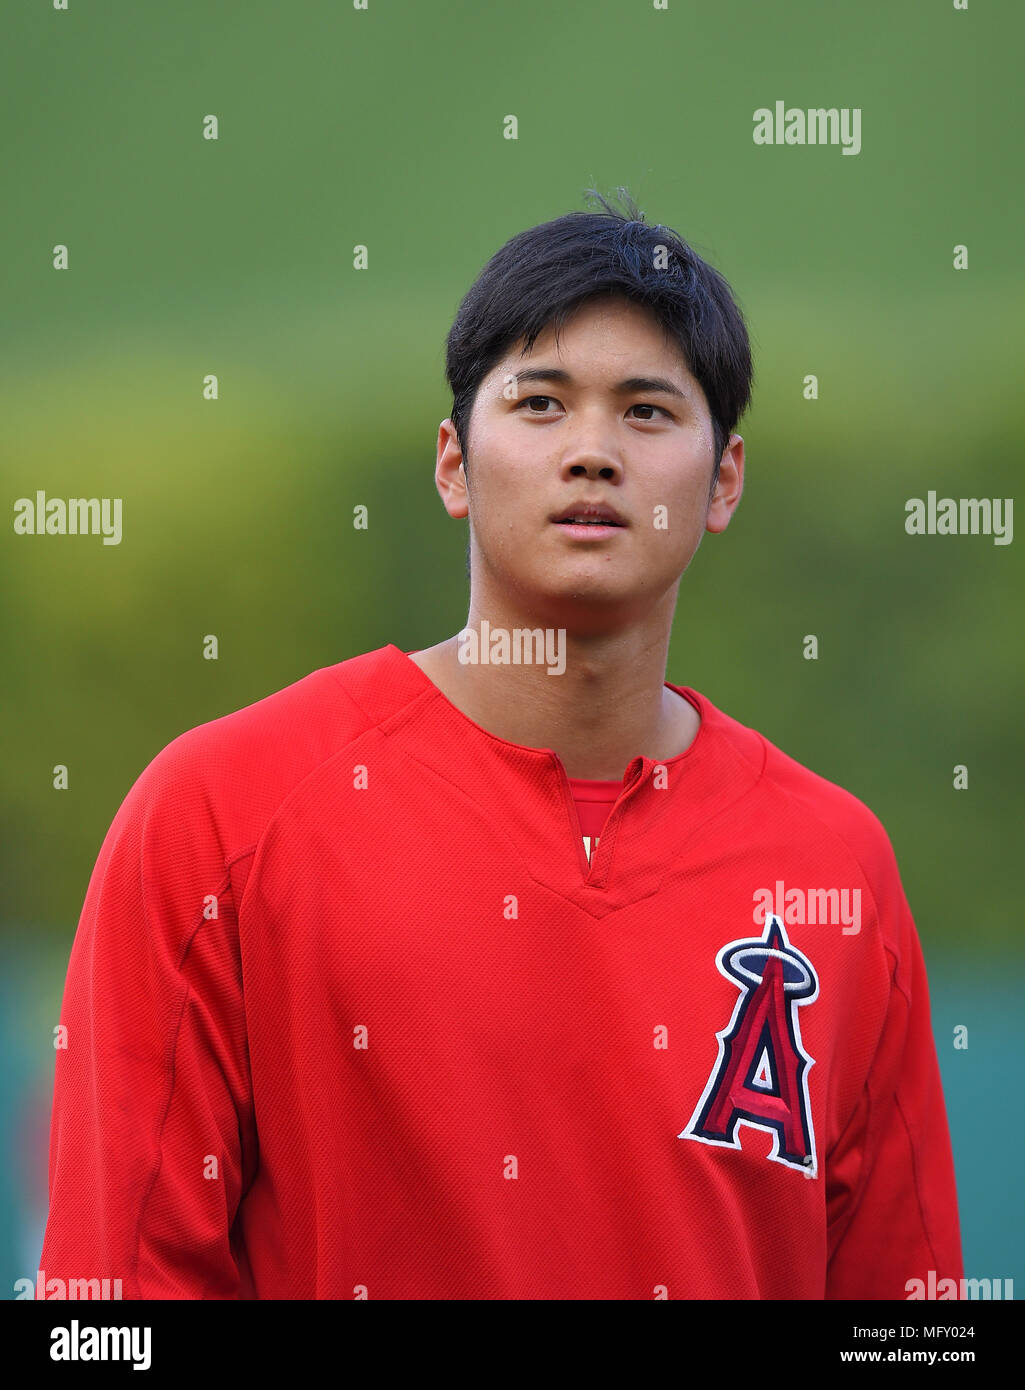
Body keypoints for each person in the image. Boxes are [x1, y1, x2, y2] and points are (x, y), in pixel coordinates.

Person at [40, 190, 962, 1299]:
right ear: (451, 464)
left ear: (722, 480)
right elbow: (115, 1302)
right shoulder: (221, 815)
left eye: (647, 411)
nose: (590, 452)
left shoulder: (834, 867)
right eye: (538, 403)